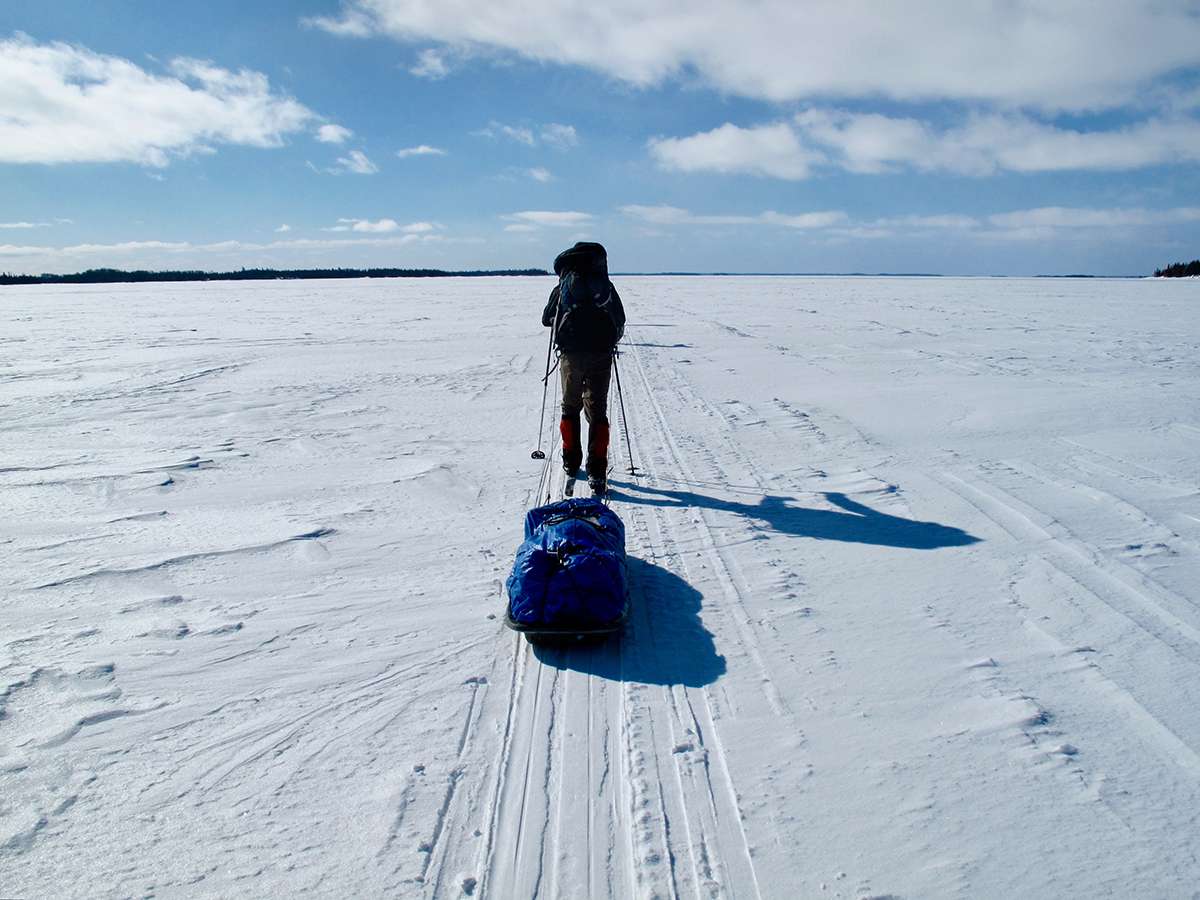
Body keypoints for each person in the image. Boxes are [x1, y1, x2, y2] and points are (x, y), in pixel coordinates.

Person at [541, 241, 625, 495]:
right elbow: (619, 319)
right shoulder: (605, 286)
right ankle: (597, 471)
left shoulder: (563, 286)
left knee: (570, 406)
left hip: (570, 356)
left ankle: (570, 461)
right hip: (600, 353)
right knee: (597, 410)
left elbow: (546, 318)